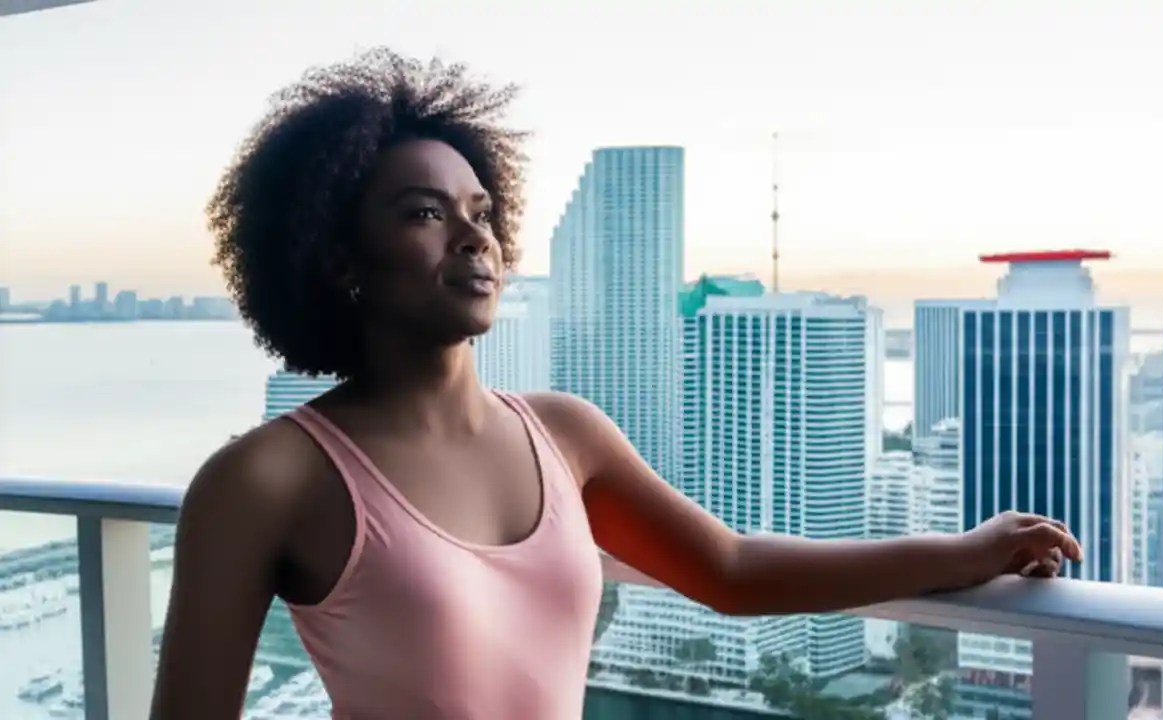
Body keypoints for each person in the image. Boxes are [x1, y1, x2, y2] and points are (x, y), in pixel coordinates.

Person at [151, 48, 1081, 720]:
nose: (474, 238)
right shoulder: (267, 480)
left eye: (483, 213)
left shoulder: (566, 434)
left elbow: (730, 570)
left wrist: (968, 551)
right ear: (338, 256)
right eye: (425, 214)